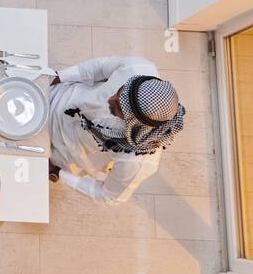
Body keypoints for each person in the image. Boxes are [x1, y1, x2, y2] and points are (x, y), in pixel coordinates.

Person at [48, 56, 186, 205]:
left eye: (118, 107)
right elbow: (100, 68)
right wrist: (59, 77)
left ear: (134, 124)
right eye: (119, 91)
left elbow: (107, 195)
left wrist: (56, 173)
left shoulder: (138, 159)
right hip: (54, 95)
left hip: (56, 151)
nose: (110, 100)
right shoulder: (138, 67)